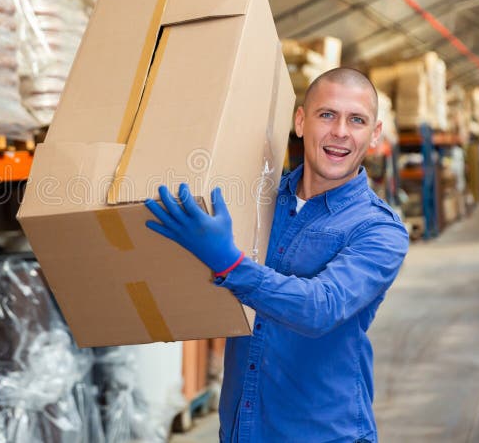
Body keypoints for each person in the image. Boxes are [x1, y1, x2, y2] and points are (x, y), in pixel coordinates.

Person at [144, 68, 409, 443]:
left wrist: (231, 264)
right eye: (327, 115)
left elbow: (321, 307)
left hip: (324, 433)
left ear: (375, 134)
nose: (341, 132)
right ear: (300, 121)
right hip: (241, 429)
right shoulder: (255, 202)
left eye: (357, 120)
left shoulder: (379, 230)